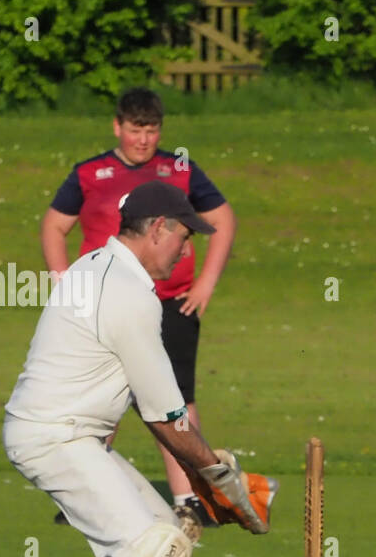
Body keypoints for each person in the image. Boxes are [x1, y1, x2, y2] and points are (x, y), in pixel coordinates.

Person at [6, 182, 270, 557]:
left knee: (156, 537)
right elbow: (167, 421)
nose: (186, 250)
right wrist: (220, 476)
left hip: (67, 432)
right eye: (183, 237)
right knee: (160, 545)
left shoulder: (95, 266)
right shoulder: (128, 296)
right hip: (56, 436)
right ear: (157, 230)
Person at [41, 87, 240, 530]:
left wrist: (206, 282)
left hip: (171, 303)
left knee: (176, 399)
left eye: (152, 130)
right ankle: (82, 493)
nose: (144, 139)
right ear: (118, 127)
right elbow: (55, 226)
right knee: (99, 396)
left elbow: (223, 219)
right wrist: (63, 283)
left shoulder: (180, 169)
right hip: (104, 301)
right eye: (135, 129)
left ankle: (190, 498)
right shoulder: (91, 172)